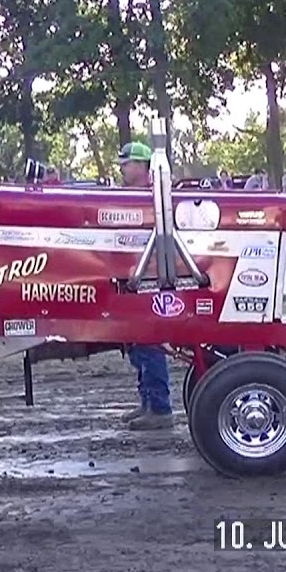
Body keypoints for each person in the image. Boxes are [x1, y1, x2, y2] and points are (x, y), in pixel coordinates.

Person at [116, 142, 173, 431]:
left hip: (150, 276)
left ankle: (160, 407)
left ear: (142, 165)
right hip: (136, 275)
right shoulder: (133, 196)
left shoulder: (155, 196)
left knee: (150, 341)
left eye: (127, 163)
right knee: (138, 343)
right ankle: (148, 402)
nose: (122, 168)